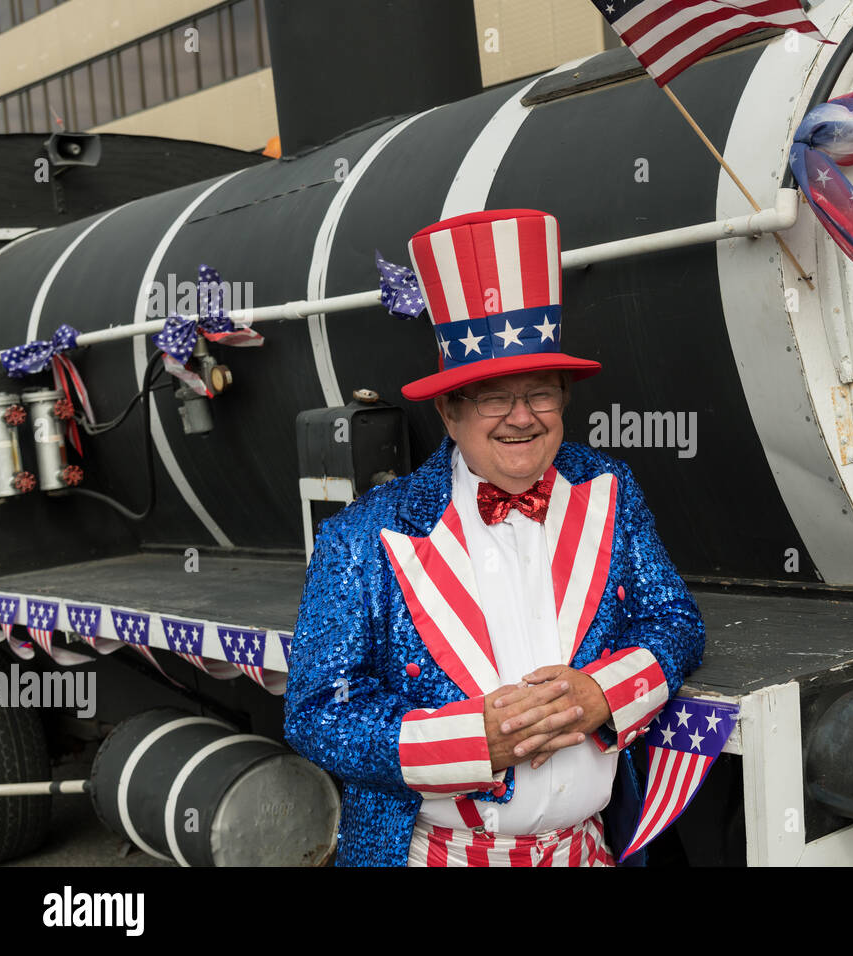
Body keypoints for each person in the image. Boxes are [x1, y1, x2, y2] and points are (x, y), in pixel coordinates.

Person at [283, 208, 705, 867]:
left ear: (564, 400)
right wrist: (472, 742)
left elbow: (674, 621)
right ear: (449, 412)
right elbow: (317, 714)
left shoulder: (610, 488)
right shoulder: (363, 537)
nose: (520, 417)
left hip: (588, 852)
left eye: (540, 392)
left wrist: (605, 693)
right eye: (491, 397)